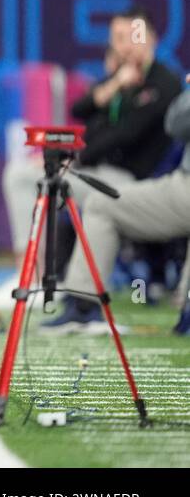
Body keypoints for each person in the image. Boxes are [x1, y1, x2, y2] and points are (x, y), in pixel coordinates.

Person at [0, 8, 182, 307]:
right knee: (19, 174)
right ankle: (29, 273)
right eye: (117, 38)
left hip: (130, 181)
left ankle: (59, 289)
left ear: (151, 38)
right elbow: (81, 109)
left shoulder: (165, 83)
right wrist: (116, 84)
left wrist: (72, 159)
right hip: (95, 172)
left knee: (56, 186)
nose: (125, 45)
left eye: (130, 36)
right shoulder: (119, 81)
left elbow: (125, 135)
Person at [44, 72, 190, 332]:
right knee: (100, 203)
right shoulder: (116, 79)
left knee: (101, 204)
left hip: (157, 180)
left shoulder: (162, 80)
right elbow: (176, 125)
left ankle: (84, 306)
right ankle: (81, 303)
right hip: (178, 184)